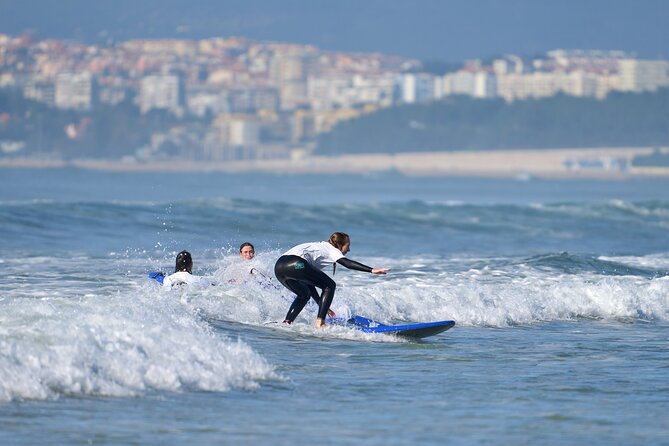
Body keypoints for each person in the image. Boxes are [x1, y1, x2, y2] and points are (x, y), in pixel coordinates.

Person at [274, 232, 390, 328]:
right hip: (297, 264)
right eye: (347, 246)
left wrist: (321, 304)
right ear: (339, 245)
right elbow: (347, 263)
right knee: (330, 285)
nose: (349, 249)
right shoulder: (331, 250)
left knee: (304, 295)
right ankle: (320, 322)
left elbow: (308, 281)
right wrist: (372, 270)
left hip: (279, 268)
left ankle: (287, 322)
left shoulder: (320, 247)